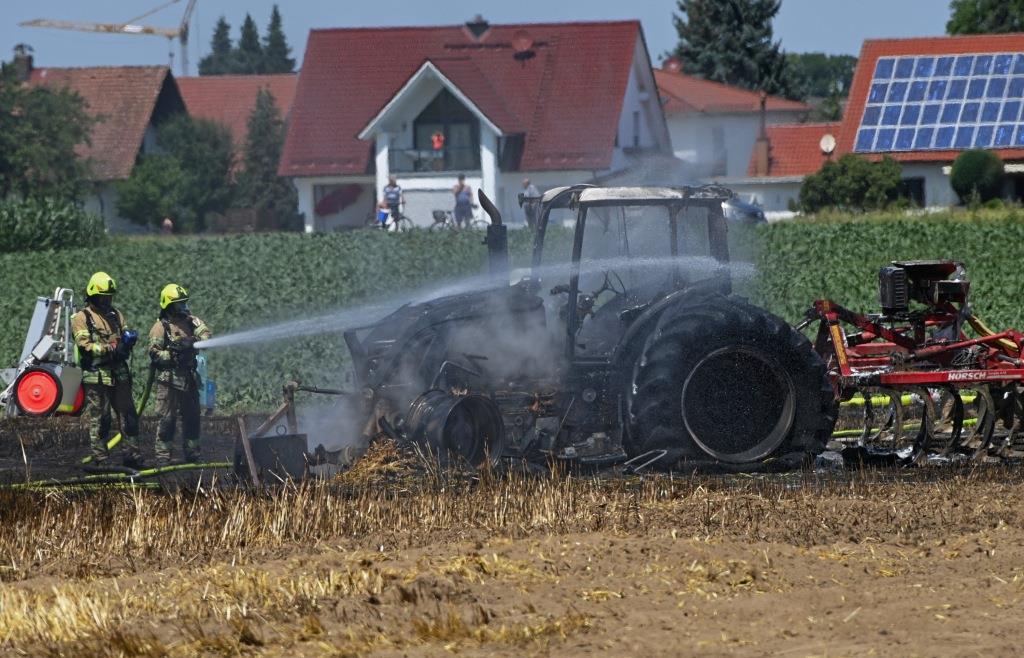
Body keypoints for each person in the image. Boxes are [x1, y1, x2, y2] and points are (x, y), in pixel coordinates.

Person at [71, 272, 141, 467]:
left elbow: (124, 332)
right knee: (101, 419)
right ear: (93, 296)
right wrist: (109, 348)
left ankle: (132, 456)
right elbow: (84, 345)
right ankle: (101, 460)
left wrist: (128, 341)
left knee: (128, 416)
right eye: (103, 297)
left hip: (119, 373)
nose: (107, 300)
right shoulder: (81, 318)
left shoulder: (115, 315)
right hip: (97, 375)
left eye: (109, 297)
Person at [148, 284, 212, 465]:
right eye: (178, 304)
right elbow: (154, 354)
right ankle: (162, 456)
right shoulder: (160, 327)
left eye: (184, 303)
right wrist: (173, 354)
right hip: (168, 380)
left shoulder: (192, 321)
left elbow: (207, 337)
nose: (183, 307)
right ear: (168, 305)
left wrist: (192, 341)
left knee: (192, 417)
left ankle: (193, 453)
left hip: (189, 378)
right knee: (167, 419)